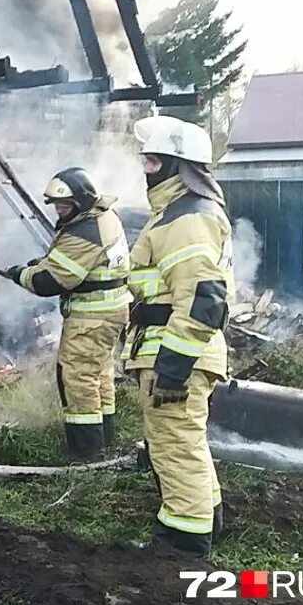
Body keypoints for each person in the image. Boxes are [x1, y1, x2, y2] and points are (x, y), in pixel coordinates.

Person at [126, 114, 232, 557]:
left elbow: (204, 299)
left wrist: (172, 368)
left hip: (177, 356)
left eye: (152, 162)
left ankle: (182, 546)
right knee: (185, 441)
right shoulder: (177, 213)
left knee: (174, 446)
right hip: (175, 352)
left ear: (178, 166)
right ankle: (210, 519)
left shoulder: (186, 219)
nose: (144, 169)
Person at [0, 168, 131, 459]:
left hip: (91, 318)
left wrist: (21, 274)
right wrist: (42, 263)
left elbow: (50, 282)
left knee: (77, 378)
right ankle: (105, 438)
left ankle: (85, 453)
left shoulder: (83, 232)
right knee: (99, 374)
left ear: (81, 201)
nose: (60, 210)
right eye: (57, 204)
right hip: (111, 312)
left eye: (65, 205)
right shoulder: (102, 216)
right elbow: (70, 262)